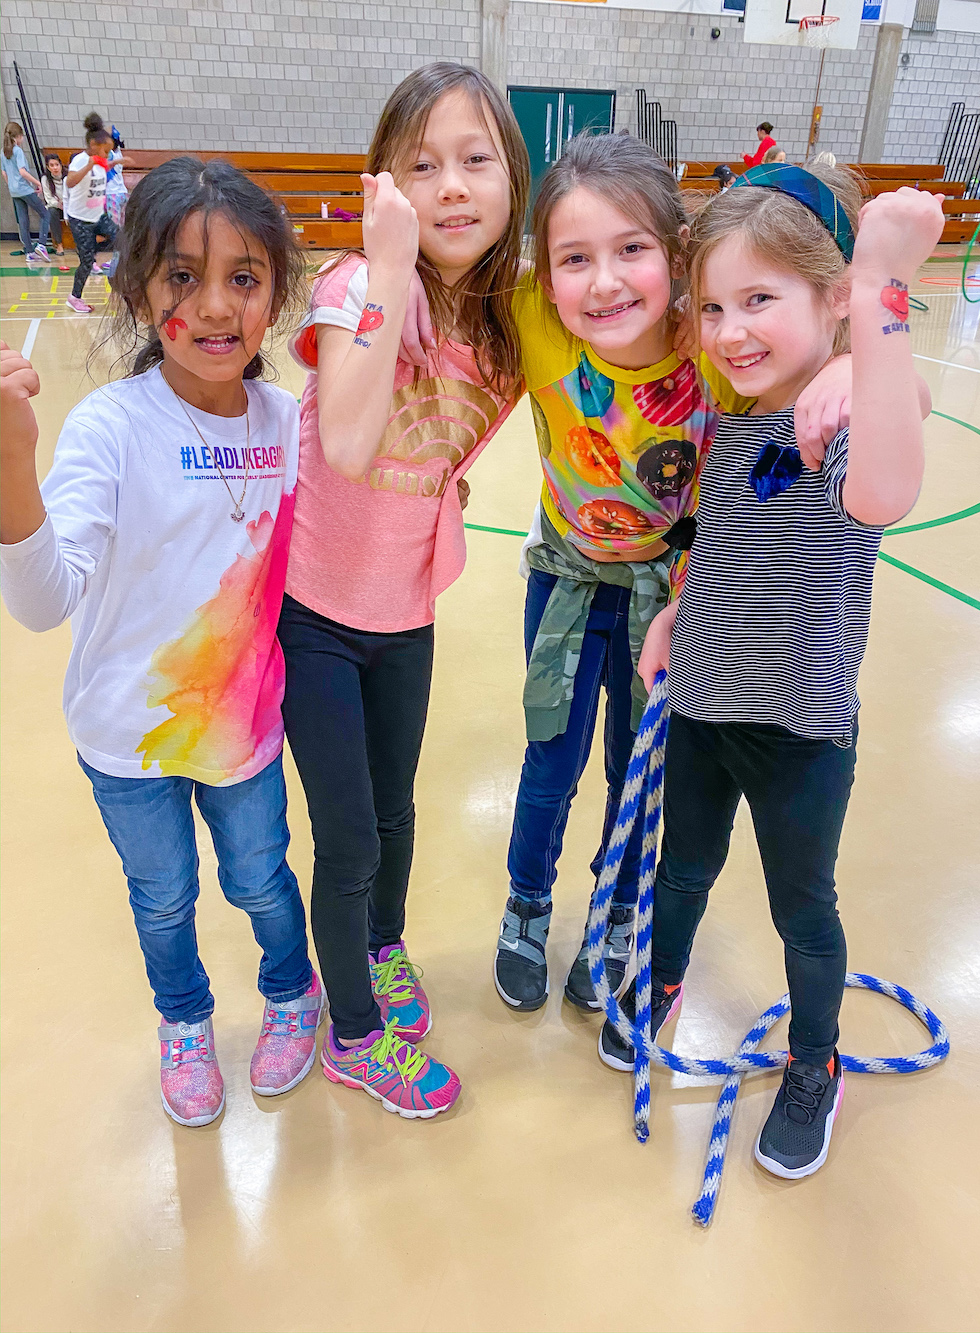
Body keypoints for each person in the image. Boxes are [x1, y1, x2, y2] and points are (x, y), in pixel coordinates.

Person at [603, 162, 944, 1180]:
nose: (729, 329)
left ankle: (814, 1060)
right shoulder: (732, 421)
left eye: (759, 300)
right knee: (682, 873)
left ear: (829, 298)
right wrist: (675, 607)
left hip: (800, 725)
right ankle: (659, 985)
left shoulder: (841, 428)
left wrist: (881, 294)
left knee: (804, 909)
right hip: (703, 703)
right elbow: (720, 540)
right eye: (712, 306)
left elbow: (886, 485)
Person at [493, 134, 857, 1014]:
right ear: (548, 280)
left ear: (678, 258)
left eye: (632, 251)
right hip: (568, 582)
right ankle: (527, 905)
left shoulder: (716, 350)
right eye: (575, 259)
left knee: (634, 767)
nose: (604, 281)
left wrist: (857, 364)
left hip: (669, 598)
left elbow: (827, 364)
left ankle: (618, 914)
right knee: (551, 761)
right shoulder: (538, 321)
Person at [0, 157, 323, 1130]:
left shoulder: (286, 421)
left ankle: (289, 990)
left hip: (243, 730)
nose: (216, 305)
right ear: (140, 290)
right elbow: (43, 601)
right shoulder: (111, 425)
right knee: (164, 898)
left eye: (244, 276)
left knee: (261, 874)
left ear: (273, 295)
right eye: (183, 276)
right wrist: (13, 462)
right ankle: (183, 1020)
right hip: (124, 738)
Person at [280, 62, 529, 1119]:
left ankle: (380, 951)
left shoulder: (508, 332)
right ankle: (353, 1035)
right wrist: (385, 269)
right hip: (312, 616)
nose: (451, 186)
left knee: (395, 812)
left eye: (476, 160)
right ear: (385, 184)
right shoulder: (354, 288)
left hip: (405, 615)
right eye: (421, 165)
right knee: (347, 840)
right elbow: (342, 439)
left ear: (513, 176)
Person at [64, 113, 119, 313]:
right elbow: (69, 182)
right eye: (106, 150)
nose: (107, 154)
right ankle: (74, 297)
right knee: (86, 262)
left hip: (98, 215)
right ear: (94, 145)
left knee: (122, 238)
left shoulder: (101, 160)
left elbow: (105, 166)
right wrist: (89, 165)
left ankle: (118, 282)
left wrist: (117, 162)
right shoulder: (80, 160)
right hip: (81, 220)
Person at [1, 122, 51, 267]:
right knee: (45, 214)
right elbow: (23, 172)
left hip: (14, 191)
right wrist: (38, 183)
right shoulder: (17, 151)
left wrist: (12, 185)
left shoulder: (3, 152)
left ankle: (29, 252)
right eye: (21, 136)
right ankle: (41, 244)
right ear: (17, 137)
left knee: (23, 220)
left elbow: (4, 173)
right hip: (24, 189)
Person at [41, 153, 71, 270]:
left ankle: (79, 245)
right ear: (48, 167)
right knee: (52, 212)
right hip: (56, 206)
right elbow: (48, 199)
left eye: (57, 165)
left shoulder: (68, 176)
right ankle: (59, 245)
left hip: (69, 205)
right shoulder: (45, 179)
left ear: (60, 165)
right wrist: (60, 204)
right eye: (51, 165)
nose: (55, 168)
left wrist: (66, 204)